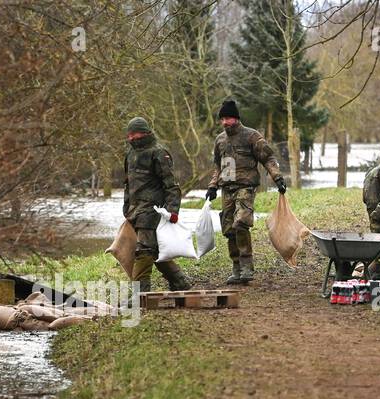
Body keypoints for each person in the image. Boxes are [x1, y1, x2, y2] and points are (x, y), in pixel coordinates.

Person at [204, 99, 286, 285]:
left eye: (229, 118)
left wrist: (277, 178)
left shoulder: (251, 136)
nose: (225, 122)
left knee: (240, 223)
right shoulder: (220, 140)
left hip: (245, 187)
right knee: (229, 229)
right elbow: (217, 165)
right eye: (223, 119)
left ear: (237, 119)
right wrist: (212, 185)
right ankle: (237, 268)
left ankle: (247, 266)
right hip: (227, 189)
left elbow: (268, 158)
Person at [122, 117, 190, 292]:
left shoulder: (159, 153)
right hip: (135, 211)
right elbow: (128, 183)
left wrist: (173, 210)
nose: (131, 138)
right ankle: (180, 282)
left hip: (153, 210)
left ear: (144, 133)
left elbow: (172, 185)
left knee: (144, 250)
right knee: (156, 250)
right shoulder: (130, 154)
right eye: (129, 135)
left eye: (134, 134)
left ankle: (140, 294)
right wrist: (126, 207)